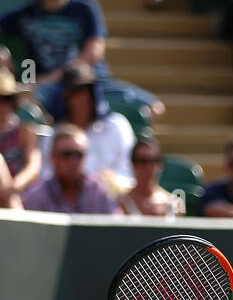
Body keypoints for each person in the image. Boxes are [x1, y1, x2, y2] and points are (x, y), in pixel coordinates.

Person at [0, 0, 108, 117]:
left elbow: (94, 52)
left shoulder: (86, 8)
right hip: (43, 88)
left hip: (87, 82)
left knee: (152, 107)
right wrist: (2, 54)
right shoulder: (24, 15)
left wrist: (56, 76)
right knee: (26, 108)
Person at [42, 62, 136, 192]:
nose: (83, 98)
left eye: (88, 91)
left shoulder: (118, 126)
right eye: (76, 92)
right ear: (65, 98)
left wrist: (109, 183)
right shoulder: (53, 137)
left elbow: (129, 173)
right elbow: (46, 177)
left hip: (114, 202)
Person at [22, 124, 120, 215]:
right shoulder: (37, 196)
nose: (73, 160)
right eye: (67, 154)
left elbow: (114, 226)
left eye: (79, 154)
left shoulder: (98, 190)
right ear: (52, 157)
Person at [0, 68, 41, 209]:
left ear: (14, 102)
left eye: (6, 99)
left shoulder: (25, 130)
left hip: (20, 193)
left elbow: (33, 167)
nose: (2, 105)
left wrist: (12, 188)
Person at [118, 140, 182, 218]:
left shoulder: (175, 204)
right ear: (133, 164)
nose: (148, 167)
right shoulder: (120, 204)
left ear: (160, 164)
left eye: (154, 160)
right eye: (142, 161)